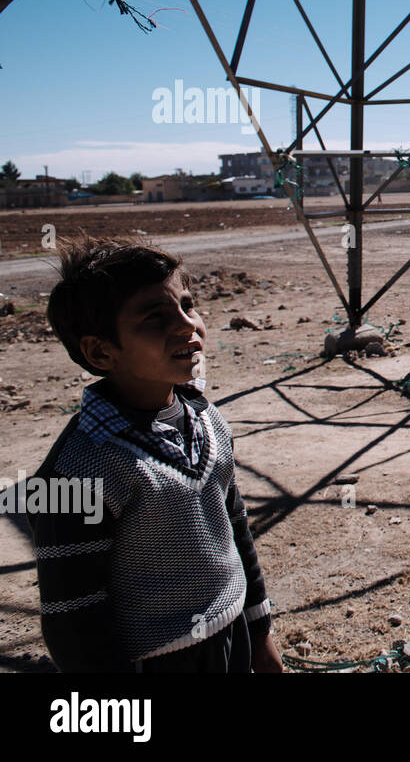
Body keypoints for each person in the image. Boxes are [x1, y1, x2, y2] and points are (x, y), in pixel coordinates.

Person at [31, 237, 281, 672]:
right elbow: (73, 616)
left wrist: (260, 634)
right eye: (155, 317)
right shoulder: (79, 471)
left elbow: (235, 529)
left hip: (231, 632)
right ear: (100, 351)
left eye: (188, 305)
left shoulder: (205, 418)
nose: (188, 326)